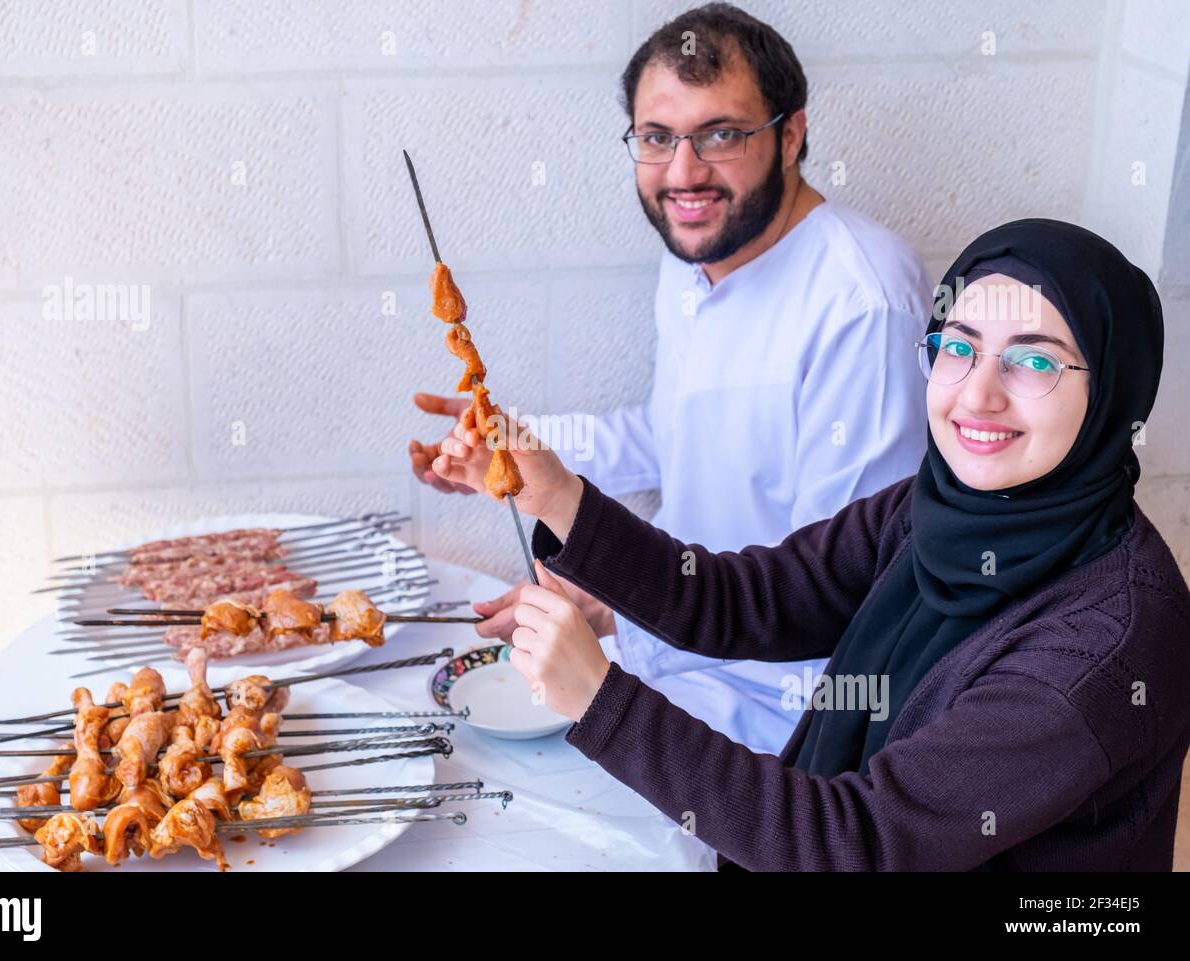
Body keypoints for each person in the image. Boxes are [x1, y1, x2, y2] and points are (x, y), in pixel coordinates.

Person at [431, 219, 1190, 871]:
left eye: (1034, 360)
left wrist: (603, 701)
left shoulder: (1102, 644)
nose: (978, 393)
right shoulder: (943, 507)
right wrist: (557, 493)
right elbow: (744, 599)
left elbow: (857, 843)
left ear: (1113, 393)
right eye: (958, 346)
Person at [409, 2, 930, 755]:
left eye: (721, 134)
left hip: (784, 726)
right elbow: (675, 433)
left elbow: (847, 599)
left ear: (792, 135)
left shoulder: (863, 303)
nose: (684, 173)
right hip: (680, 658)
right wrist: (521, 446)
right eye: (657, 137)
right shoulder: (695, 254)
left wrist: (626, 607)